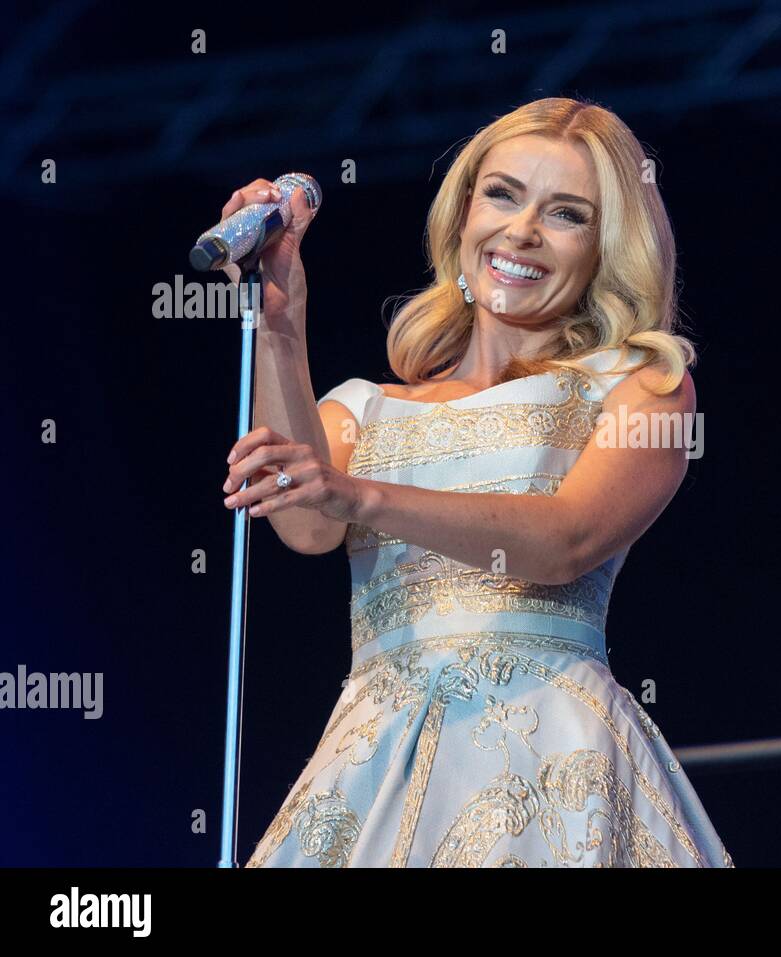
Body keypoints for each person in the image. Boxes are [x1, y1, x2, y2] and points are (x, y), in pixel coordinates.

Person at [219, 97, 732, 867]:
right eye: (502, 194)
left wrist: (362, 494)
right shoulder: (365, 407)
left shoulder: (640, 385)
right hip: (373, 772)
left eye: (567, 213)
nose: (522, 230)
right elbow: (306, 523)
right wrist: (278, 316)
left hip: (547, 762)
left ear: (605, 247)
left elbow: (566, 538)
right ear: (462, 217)